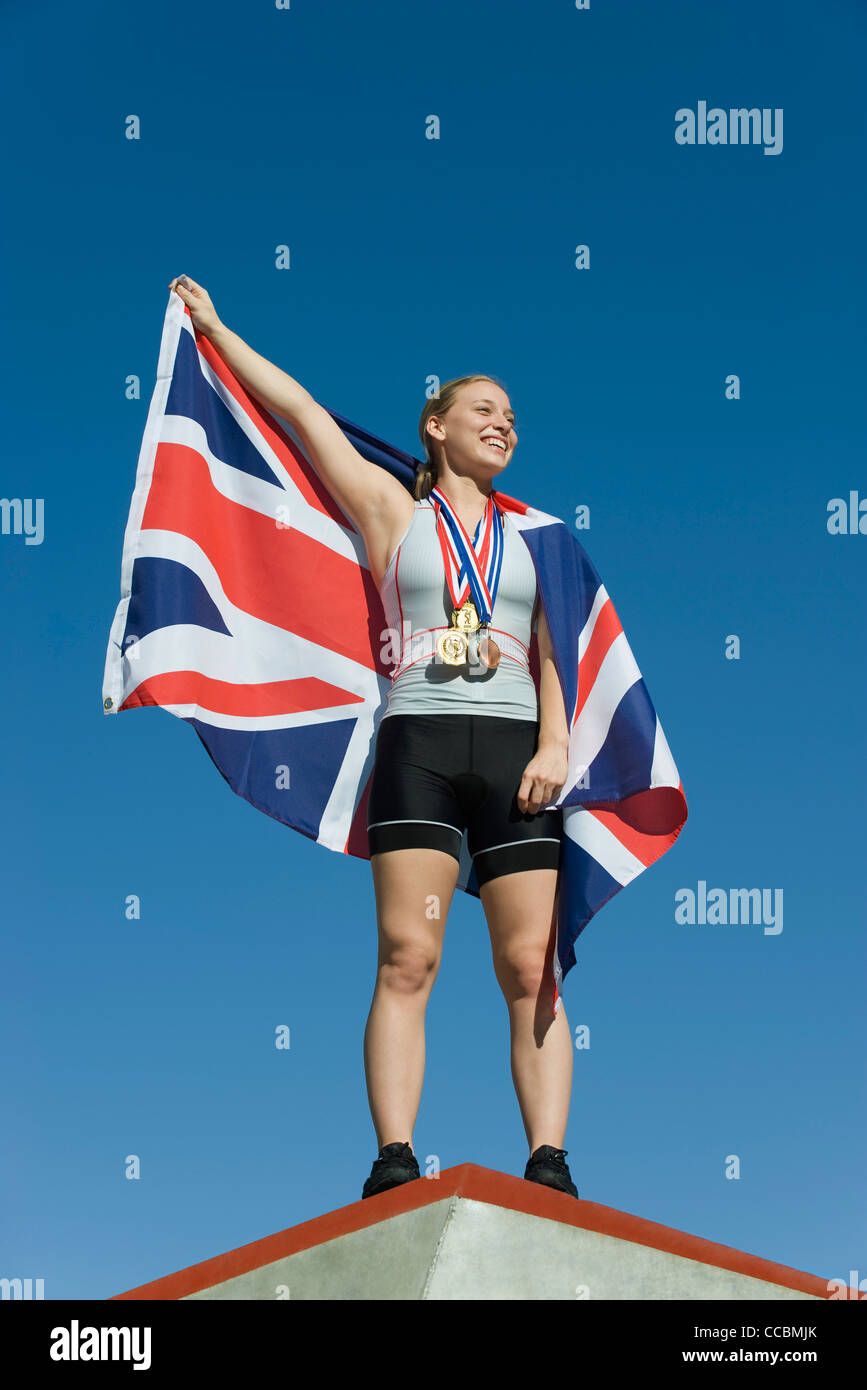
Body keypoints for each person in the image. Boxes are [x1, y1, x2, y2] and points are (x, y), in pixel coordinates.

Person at [167, 275, 580, 1201]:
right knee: (409, 955)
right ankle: (396, 1157)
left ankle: (548, 1162)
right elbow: (303, 411)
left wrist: (555, 747)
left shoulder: (539, 539)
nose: (503, 423)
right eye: (483, 409)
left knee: (529, 965)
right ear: (434, 425)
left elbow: (559, 653)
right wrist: (219, 333)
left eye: (512, 415)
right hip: (420, 748)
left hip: (518, 754)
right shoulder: (392, 514)